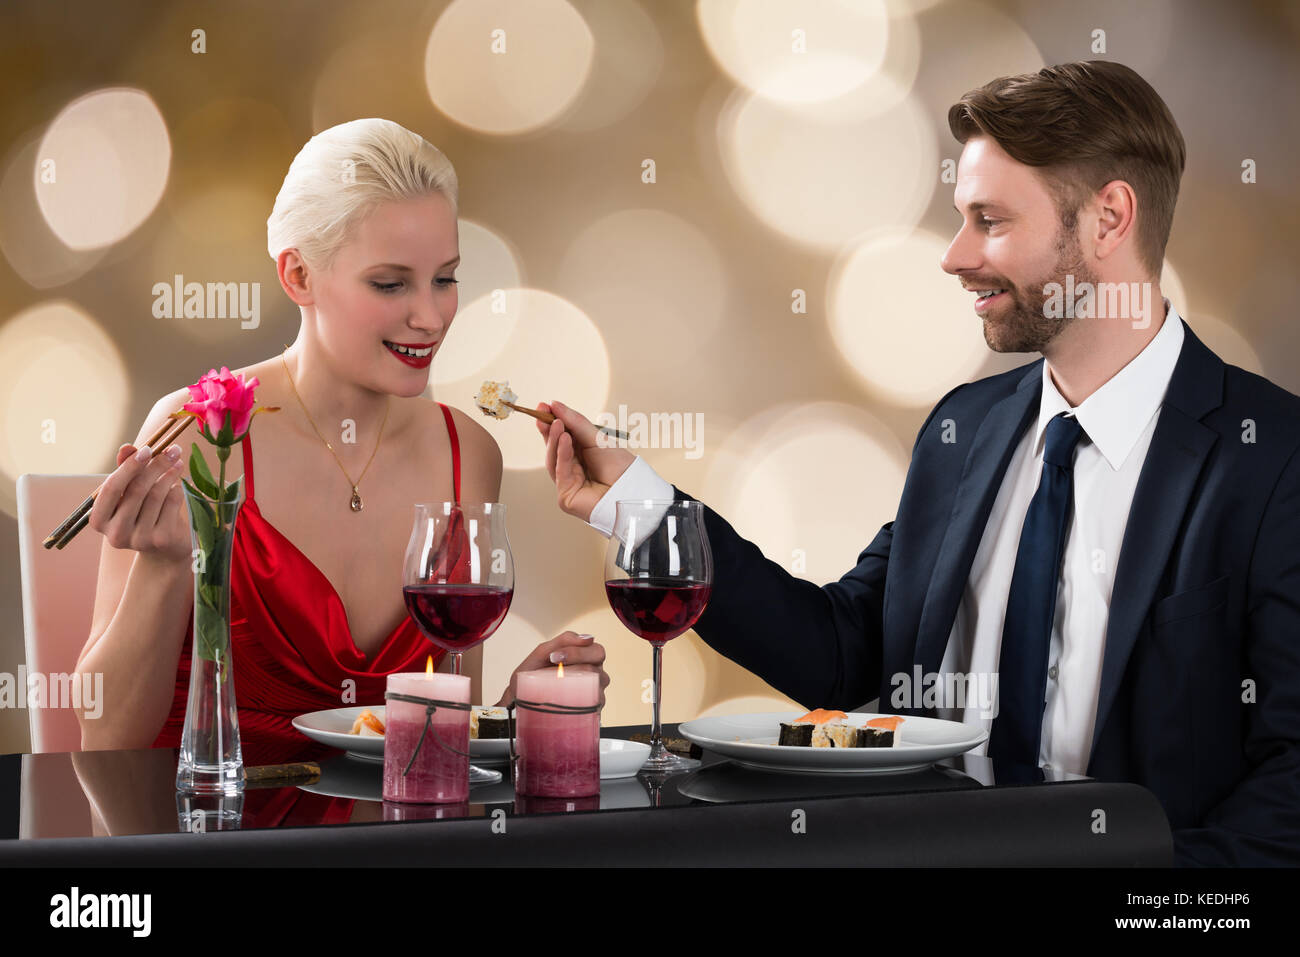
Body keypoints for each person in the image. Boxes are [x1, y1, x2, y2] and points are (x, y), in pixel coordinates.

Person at [534, 62, 1300, 866]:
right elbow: (838, 651)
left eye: (990, 220)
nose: (955, 255)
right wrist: (633, 502)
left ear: (1109, 218)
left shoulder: (1272, 458)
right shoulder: (963, 432)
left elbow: (1289, 777)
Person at [75, 118, 607, 764]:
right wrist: (163, 568)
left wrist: (511, 709)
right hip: (205, 833)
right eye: (390, 283)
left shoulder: (468, 454)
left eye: (445, 277)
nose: (432, 316)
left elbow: (434, 739)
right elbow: (105, 739)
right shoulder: (198, 430)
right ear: (298, 275)